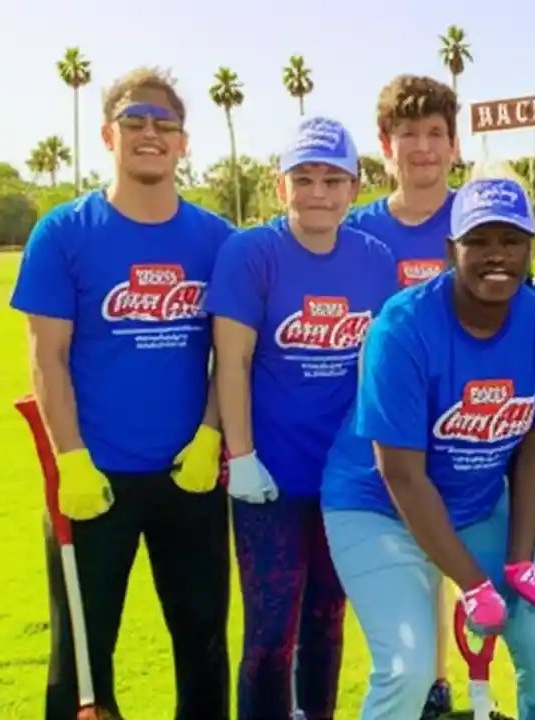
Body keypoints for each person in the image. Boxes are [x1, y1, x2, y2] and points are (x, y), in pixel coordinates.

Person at [9, 67, 233, 720]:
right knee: (81, 661)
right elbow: (45, 356)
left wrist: (211, 435)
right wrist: (71, 459)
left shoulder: (216, 240)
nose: (149, 134)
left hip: (188, 478)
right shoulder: (63, 233)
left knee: (202, 648)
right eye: (134, 121)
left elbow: (233, 356)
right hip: (93, 481)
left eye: (163, 124)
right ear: (109, 134)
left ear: (183, 143)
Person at [320, 175, 535, 720]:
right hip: (377, 508)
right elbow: (402, 476)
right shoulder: (403, 327)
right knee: (407, 669)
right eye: (478, 241)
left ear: (532, 247)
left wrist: (520, 563)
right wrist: (474, 583)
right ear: (450, 250)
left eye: (510, 241)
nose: (496, 256)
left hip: (476, 502)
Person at [204, 116, 397, 720]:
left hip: (344, 478)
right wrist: (241, 457)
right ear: (279, 183)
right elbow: (230, 360)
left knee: (326, 618)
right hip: (271, 475)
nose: (318, 192)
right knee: (268, 632)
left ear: (354, 185)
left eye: (333, 179)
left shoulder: (375, 258)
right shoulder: (252, 252)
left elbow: (379, 366)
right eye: (304, 177)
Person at [345, 75, 461, 716]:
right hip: (369, 434)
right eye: (408, 134)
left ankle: (439, 682)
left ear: (453, 144)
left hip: (461, 428)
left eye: (435, 134)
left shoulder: (477, 222)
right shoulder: (356, 228)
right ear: (385, 146)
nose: (422, 148)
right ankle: (414, 679)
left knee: (442, 555)